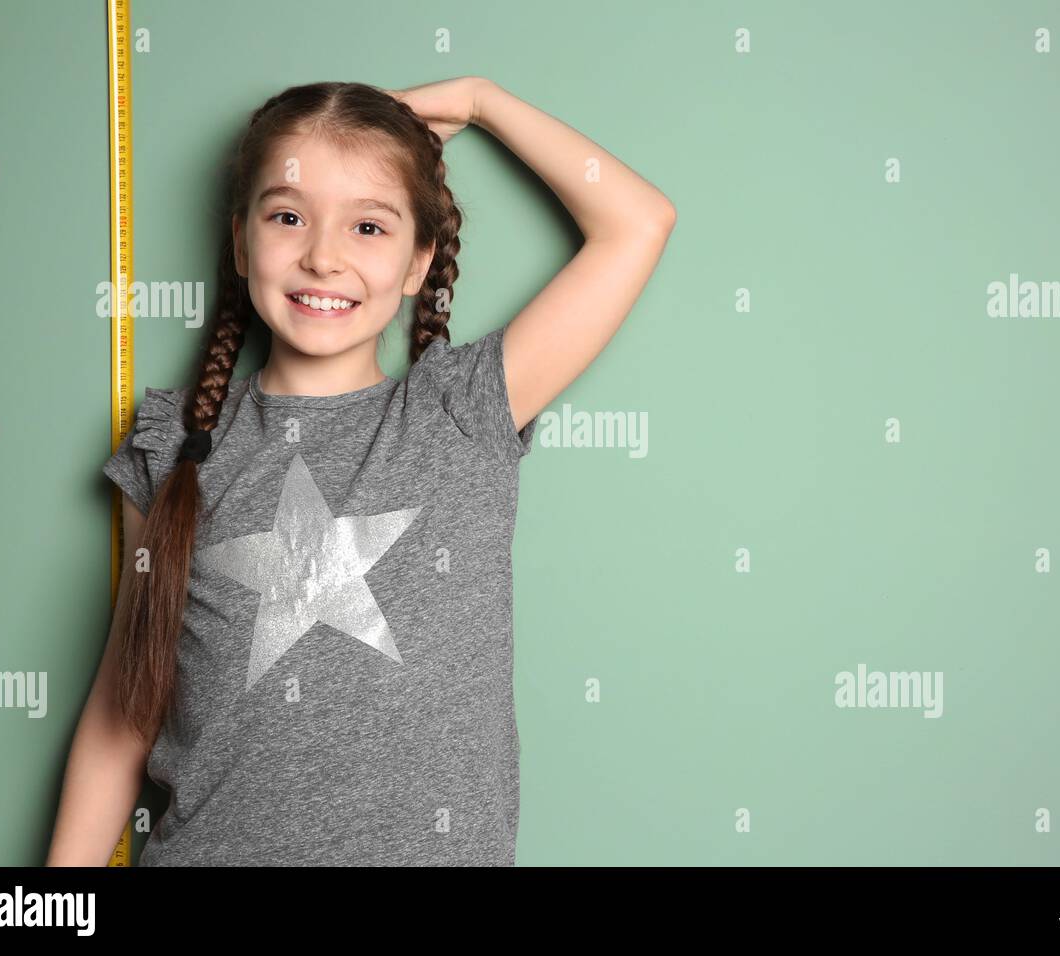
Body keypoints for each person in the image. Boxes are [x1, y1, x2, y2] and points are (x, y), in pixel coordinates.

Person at [46, 76, 675, 866]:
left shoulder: (463, 412)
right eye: (287, 216)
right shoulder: (177, 443)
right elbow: (122, 713)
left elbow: (638, 223)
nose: (322, 255)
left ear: (420, 264)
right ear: (241, 244)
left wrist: (483, 101)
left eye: (369, 226)